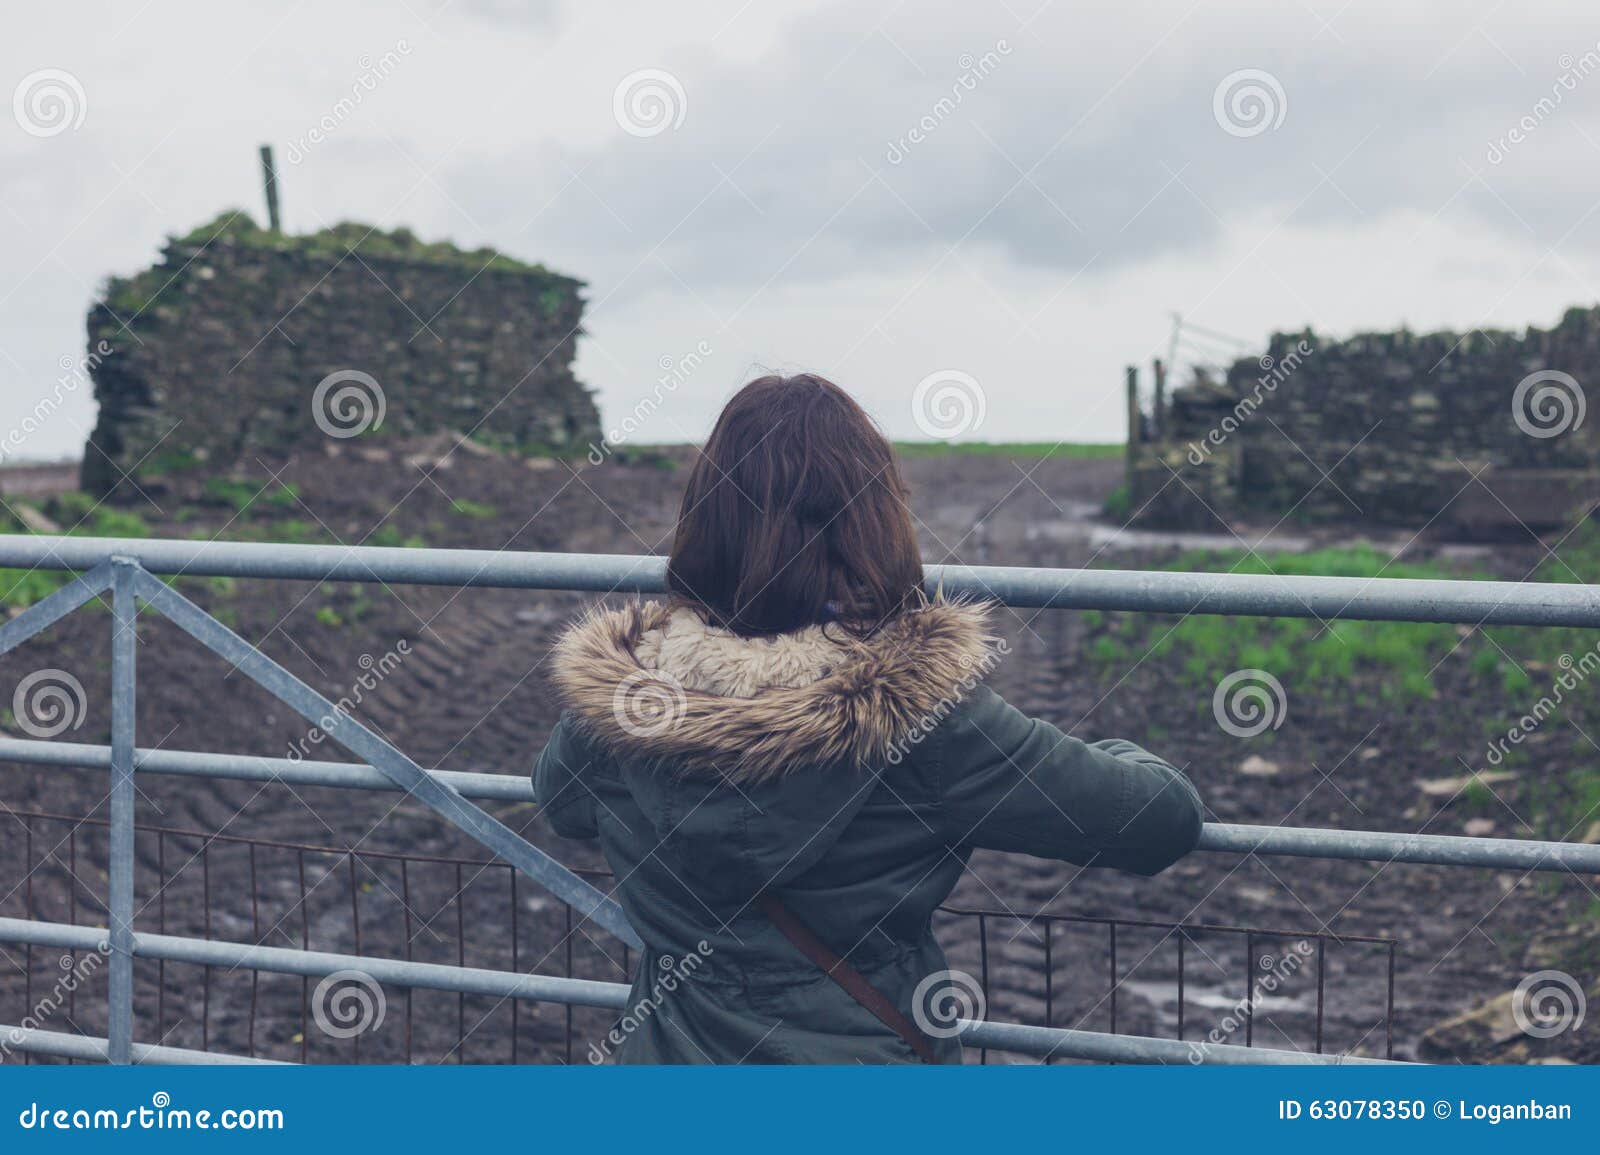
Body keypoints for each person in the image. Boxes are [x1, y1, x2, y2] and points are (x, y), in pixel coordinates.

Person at [533, 372, 1204, 1063]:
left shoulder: (623, 702)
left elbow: (562, 806)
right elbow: (1158, 821)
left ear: (705, 518)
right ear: (875, 519)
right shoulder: (919, 716)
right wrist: (1129, 751)